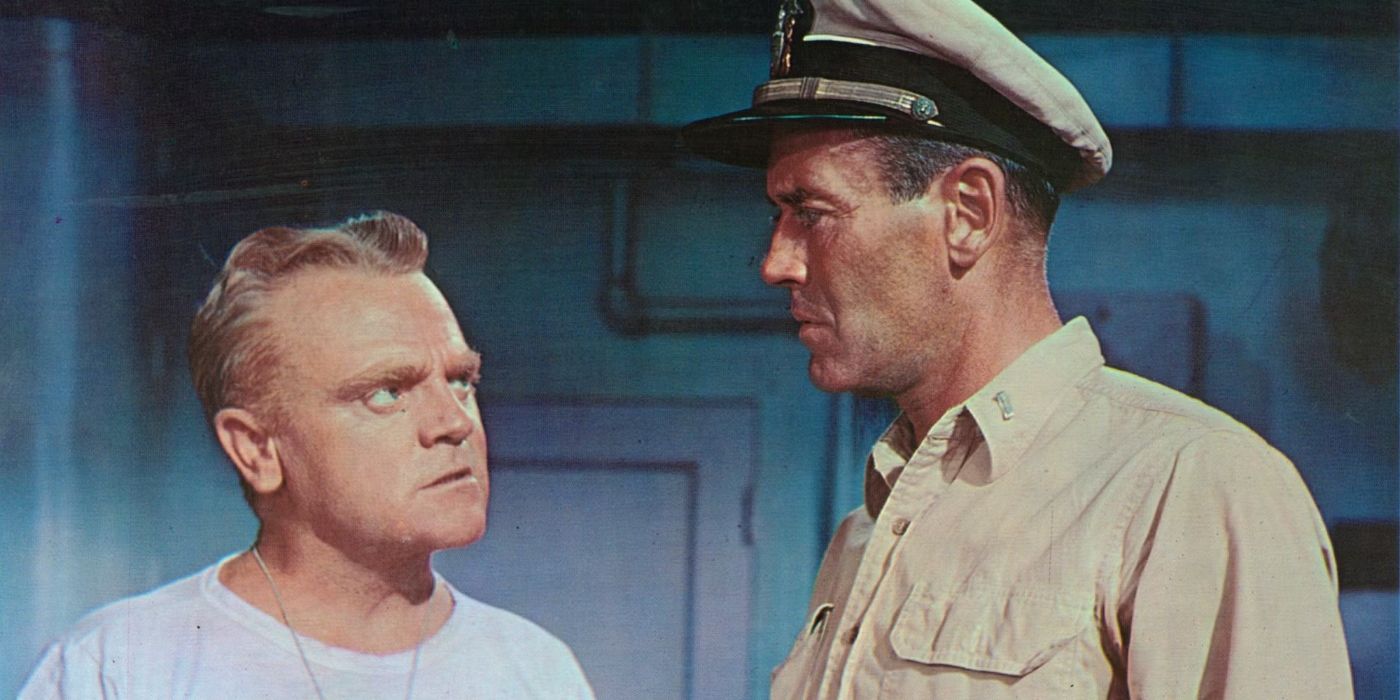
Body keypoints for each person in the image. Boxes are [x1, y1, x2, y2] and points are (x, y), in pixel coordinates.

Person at [682, 1, 1353, 698]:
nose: (776, 263)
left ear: (969, 213)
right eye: (779, 216)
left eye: (811, 213)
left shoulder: (1191, 487)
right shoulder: (865, 535)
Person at [20, 212, 595, 699]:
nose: (455, 422)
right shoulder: (119, 669)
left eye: (461, 381)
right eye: (387, 392)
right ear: (256, 449)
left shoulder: (535, 672)